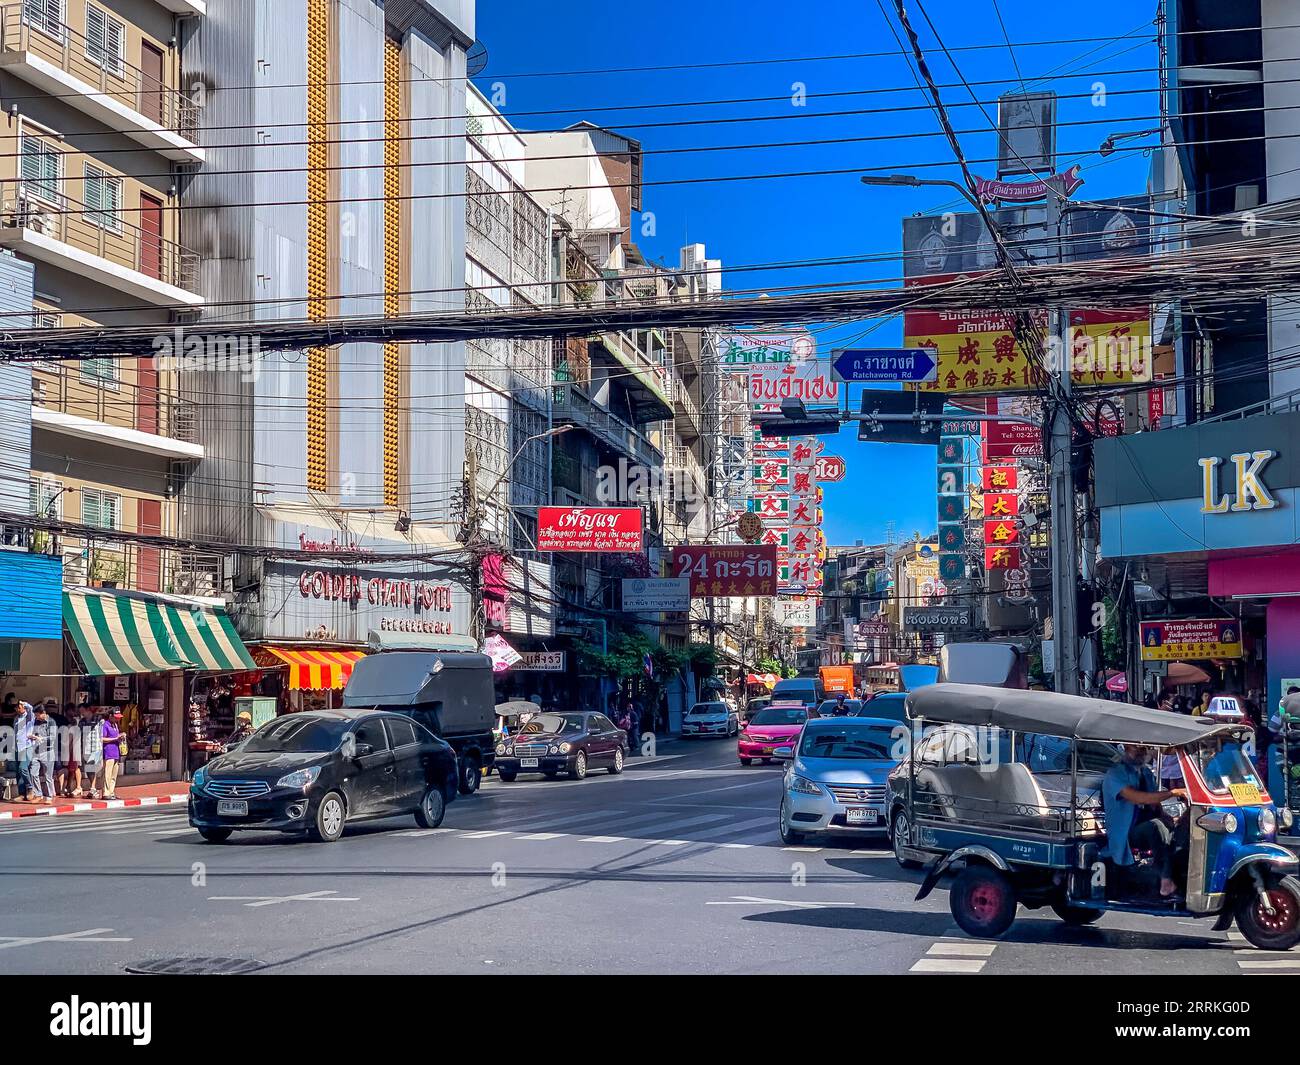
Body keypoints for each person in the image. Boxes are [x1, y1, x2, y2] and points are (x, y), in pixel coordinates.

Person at [1103, 744, 1187, 897]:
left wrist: (1173, 819)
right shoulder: (1115, 774)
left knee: (1179, 830)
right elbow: (1139, 798)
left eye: (1143, 748)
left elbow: (1155, 804)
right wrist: (1172, 792)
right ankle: (1166, 881)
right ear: (1126, 747)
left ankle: (1180, 877)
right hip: (1126, 832)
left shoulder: (1146, 772)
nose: (1141, 751)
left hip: (1148, 823)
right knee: (1155, 827)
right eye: (1136, 747)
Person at [27, 702, 57, 804]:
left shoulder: (51, 722)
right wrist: (32, 736)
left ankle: (49, 796)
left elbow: (52, 737)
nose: (37, 717)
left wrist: (41, 738)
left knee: (48, 776)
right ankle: (38, 794)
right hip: (36, 751)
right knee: (33, 773)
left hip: (47, 751)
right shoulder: (35, 721)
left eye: (37, 715)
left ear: (43, 713)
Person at [97, 710, 123, 800]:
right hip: (108, 752)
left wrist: (120, 737)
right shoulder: (105, 725)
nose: (117, 719)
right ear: (110, 716)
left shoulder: (115, 725)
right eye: (115, 717)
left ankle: (111, 791)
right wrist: (115, 738)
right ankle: (105, 792)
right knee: (107, 774)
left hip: (116, 752)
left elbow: (116, 737)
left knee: (114, 774)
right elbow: (102, 739)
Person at [13, 700, 34, 801]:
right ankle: (22, 793)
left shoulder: (29, 717)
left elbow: (31, 708)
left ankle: (30, 788)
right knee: (18, 772)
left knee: (23, 768)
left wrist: (24, 703)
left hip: (26, 746)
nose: (17, 709)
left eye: (19, 707)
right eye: (17, 707)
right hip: (18, 747)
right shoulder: (17, 718)